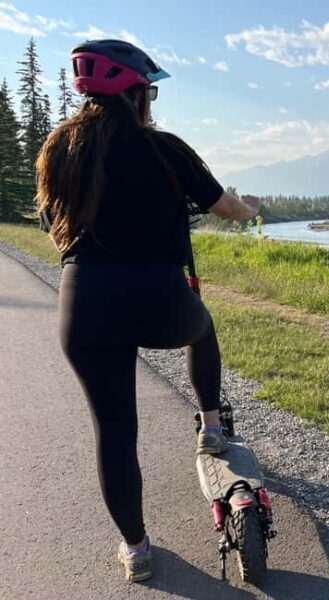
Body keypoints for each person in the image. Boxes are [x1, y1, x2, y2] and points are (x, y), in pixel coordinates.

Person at [36, 39, 259, 582]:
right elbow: (225, 207)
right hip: (160, 297)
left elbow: (50, 224)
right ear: (135, 93)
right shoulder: (165, 149)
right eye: (149, 92)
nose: (150, 101)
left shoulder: (59, 148)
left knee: (114, 431)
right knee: (200, 327)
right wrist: (250, 208)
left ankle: (136, 550)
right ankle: (211, 427)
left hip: (85, 302)